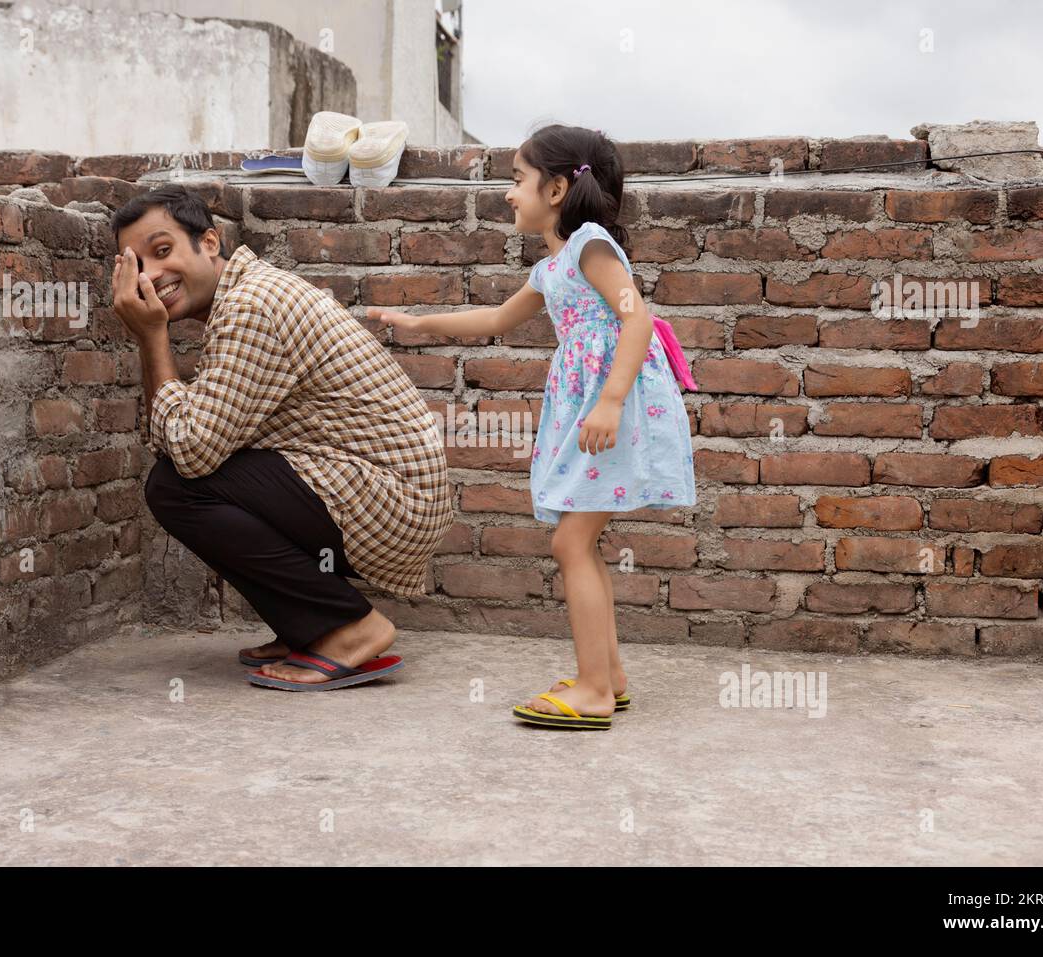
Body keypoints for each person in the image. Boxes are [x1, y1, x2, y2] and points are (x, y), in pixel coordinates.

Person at [371, 124, 696, 729]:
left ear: (554, 189)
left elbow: (638, 319)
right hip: (595, 407)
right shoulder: (553, 267)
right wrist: (418, 323)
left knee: (571, 542)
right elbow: (495, 318)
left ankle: (595, 689)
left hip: (615, 410)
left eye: (516, 179)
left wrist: (610, 400)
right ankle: (610, 677)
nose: (507, 193)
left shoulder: (591, 246)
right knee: (581, 540)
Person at [109, 185, 453, 691]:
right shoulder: (245, 294)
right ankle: (306, 627)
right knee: (200, 473)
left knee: (177, 486)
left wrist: (151, 338)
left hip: (391, 499)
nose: (152, 275)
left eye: (163, 252)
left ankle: (350, 629)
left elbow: (187, 448)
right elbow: (200, 437)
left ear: (209, 242)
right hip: (371, 489)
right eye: (137, 265)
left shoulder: (251, 306)